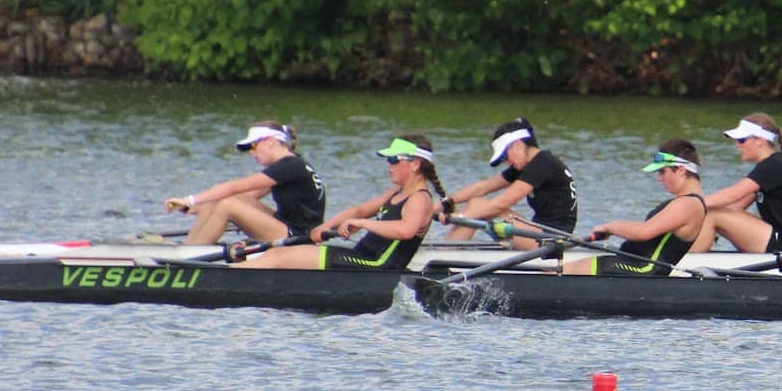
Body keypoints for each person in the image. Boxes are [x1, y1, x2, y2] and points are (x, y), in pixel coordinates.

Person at [245, 136, 445, 270]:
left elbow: (406, 230)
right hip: (360, 257)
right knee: (279, 253)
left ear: (415, 164)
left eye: (393, 159)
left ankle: (222, 276)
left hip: (376, 266)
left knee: (279, 258)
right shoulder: (397, 192)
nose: (388, 165)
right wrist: (326, 227)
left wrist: (363, 224)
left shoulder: (420, 198)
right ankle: (230, 272)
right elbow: (360, 210)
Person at [164, 122, 326, 246]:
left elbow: (234, 187)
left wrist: (189, 200)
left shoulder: (289, 165)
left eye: (254, 146)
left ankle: (191, 252)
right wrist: (192, 207)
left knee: (227, 205)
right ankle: (191, 246)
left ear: (271, 141)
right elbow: (244, 196)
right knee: (221, 198)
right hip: (287, 226)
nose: (252, 153)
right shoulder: (290, 164)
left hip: (300, 236)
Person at [564, 141, 708, 276]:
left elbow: (643, 232)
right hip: (633, 267)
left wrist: (611, 227)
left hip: (642, 270)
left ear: (681, 170)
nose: (659, 178)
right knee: (556, 271)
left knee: (557, 273)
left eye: (662, 171)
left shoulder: (688, 204)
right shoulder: (688, 202)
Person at [690, 114, 782, 254]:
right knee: (712, 210)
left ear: (760, 141)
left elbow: (734, 194)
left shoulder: (774, 165)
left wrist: (690, 204)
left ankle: (686, 263)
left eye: (741, 140)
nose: (737, 145)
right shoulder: (774, 165)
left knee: (711, 214)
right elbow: (734, 207)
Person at [441, 116, 579, 245]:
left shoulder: (542, 164)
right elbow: (484, 187)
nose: (507, 162)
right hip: (538, 230)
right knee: (477, 202)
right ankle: (445, 255)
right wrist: (441, 205)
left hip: (555, 239)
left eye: (505, 156)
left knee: (480, 209)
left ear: (517, 145)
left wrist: (460, 217)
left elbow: (501, 204)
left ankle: (444, 257)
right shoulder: (527, 163)